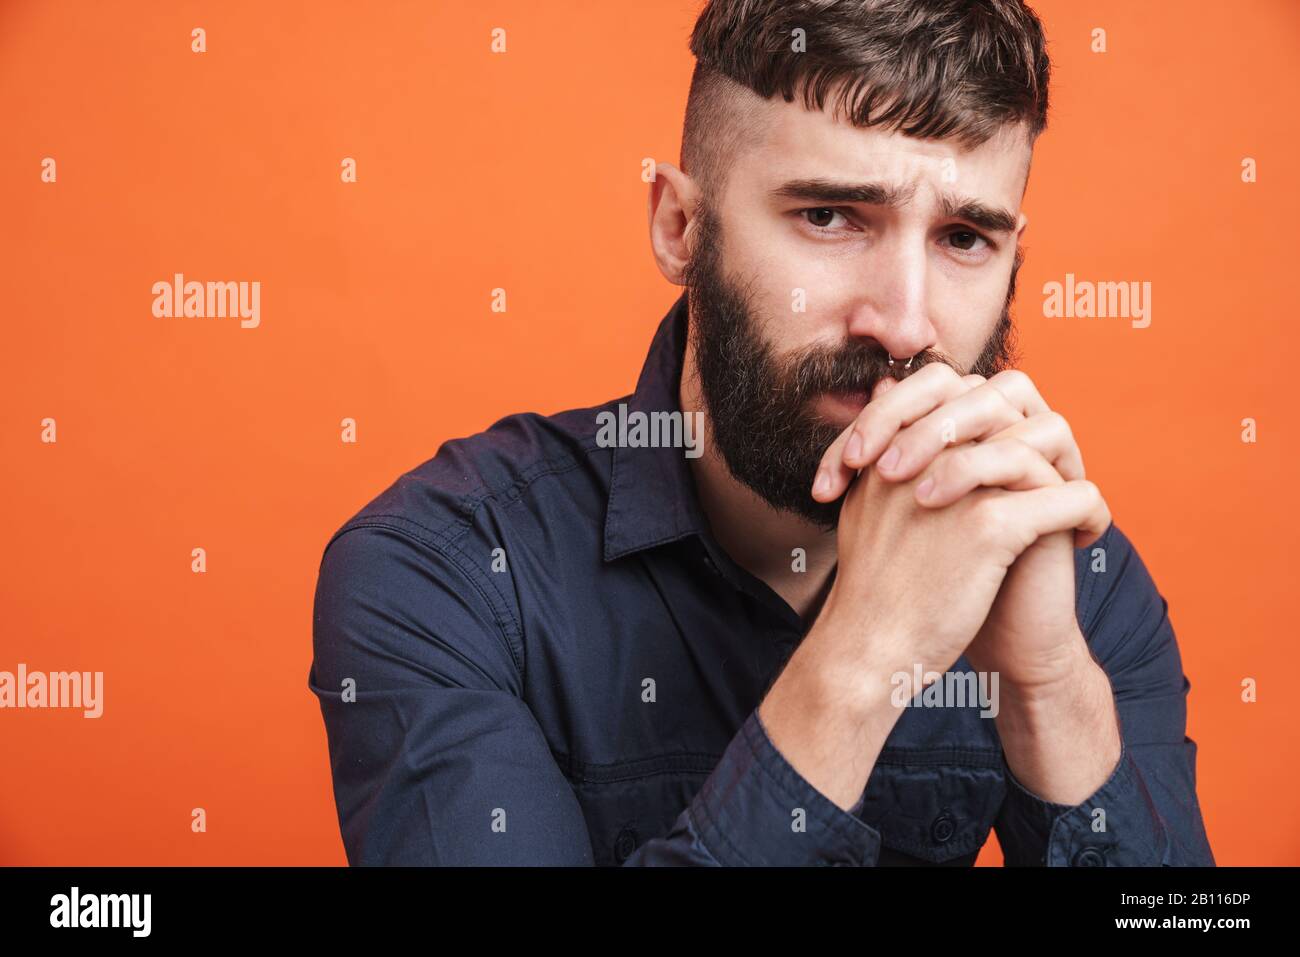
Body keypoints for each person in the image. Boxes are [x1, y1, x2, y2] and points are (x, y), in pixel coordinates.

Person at [308, 0, 1215, 866]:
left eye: (964, 238)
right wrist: (861, 660)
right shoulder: (445, 570)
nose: (904, 324)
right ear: (679, 227)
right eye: (829, 217)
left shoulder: (1075, 586)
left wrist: (1052, 686)